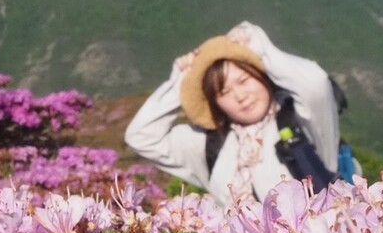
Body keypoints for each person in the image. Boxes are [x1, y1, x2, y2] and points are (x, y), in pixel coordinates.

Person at [124, 21, 340, 208]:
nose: (240, 95)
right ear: (215, 103)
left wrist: (258, 47)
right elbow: (140, 136)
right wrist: (181, 81)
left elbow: (315, 83)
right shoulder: (211, 143)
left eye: (244, 80)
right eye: (223, 92)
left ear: (262, 76)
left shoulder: (303, 122)